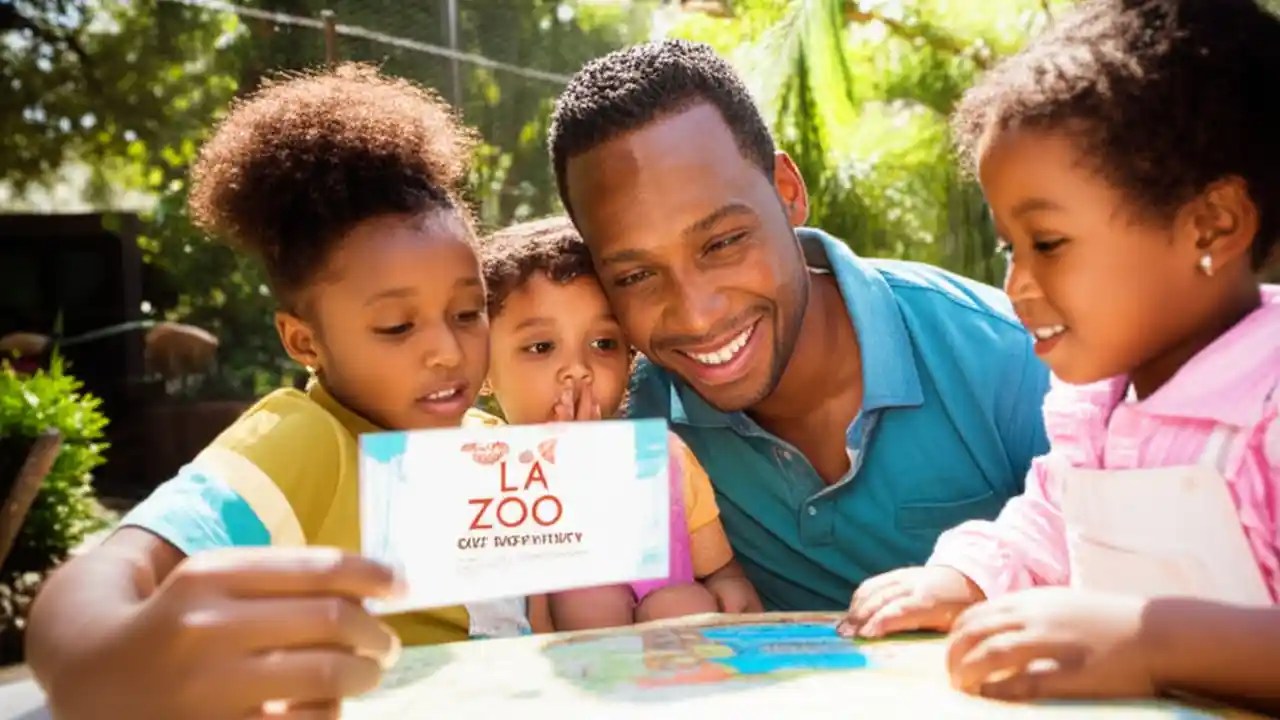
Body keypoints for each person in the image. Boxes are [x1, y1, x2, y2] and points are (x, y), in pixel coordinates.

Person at [24, 64, 536, 719]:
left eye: (469, 312)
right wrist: (104, 664)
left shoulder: (495, 444)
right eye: (396, 325)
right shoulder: (304, 439)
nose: (447, 348)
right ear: (304, 342)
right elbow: (101, 576)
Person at [844, 0, 1280, 709]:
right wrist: (968, 579)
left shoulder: (1267, 403)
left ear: (1212, 224)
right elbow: (1053, 520)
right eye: (1009, 247)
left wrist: (1151, 640)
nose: (1015, 283)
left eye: (1047, 243)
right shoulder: (1097, 405)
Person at [547, 39, 1052, 612]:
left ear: (787, 193)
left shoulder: (1010, 359)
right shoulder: (638, 431)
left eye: (723, 242)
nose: (697, 314)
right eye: (637, 275)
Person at [480, 216, 762, 628]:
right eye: (541, 347)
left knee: (682, 604)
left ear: (631, 360)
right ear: (483, 366)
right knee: (589, 598)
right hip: (555, 644)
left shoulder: (662, 457)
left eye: (603, 344)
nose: (576, 369)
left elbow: (719, 567)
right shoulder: (480, 465)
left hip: (669, 631)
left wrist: (730, 584)